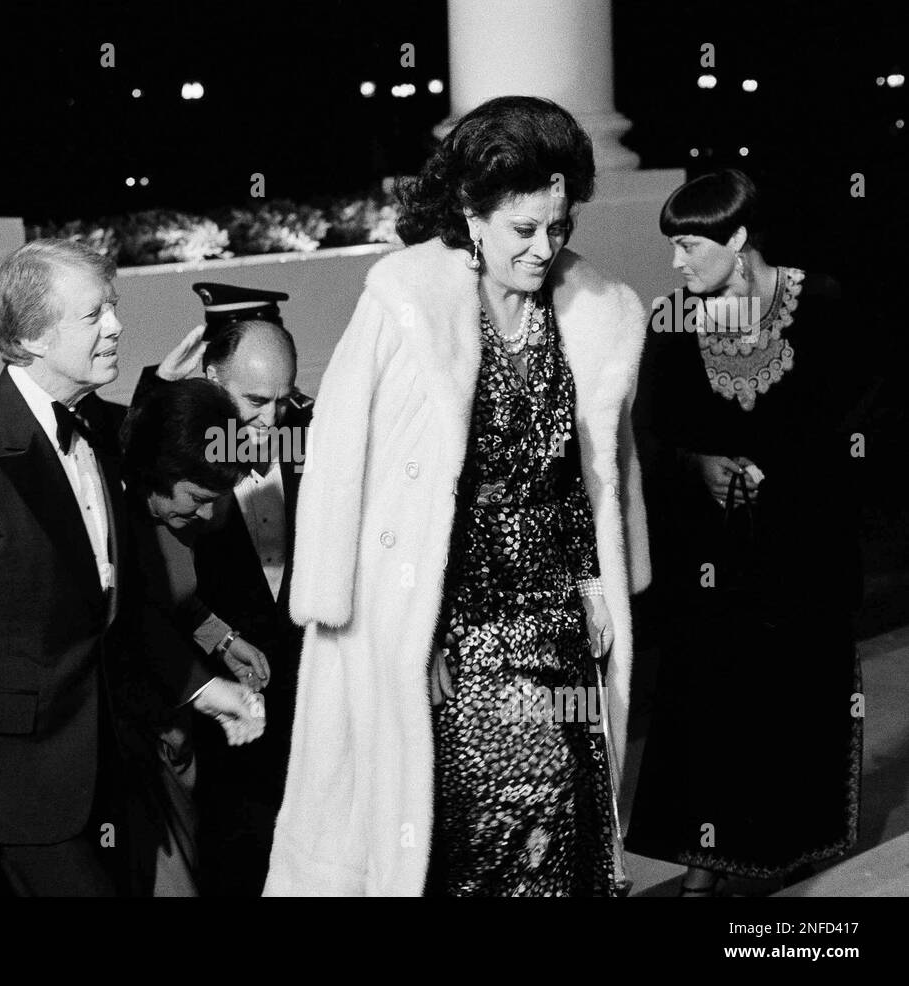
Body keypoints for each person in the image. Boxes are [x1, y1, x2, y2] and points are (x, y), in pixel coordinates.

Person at [265, 95, 650, 897]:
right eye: (523, 230)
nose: (545, 248)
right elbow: (345, 466)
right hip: (457, 632)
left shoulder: (592, 315)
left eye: (560, 227)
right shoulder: (405, 305)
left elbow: (586, 474)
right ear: (470, 212)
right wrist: (410, 626)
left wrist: (593, 580)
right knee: (490, 837)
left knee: (570, 827)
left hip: (558, 624)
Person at [0, 239, 262, 897]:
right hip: (16, 795)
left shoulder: (93, 434)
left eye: (111, 309)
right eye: (94, 315)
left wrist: (204, 688)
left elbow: (118, 613)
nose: (116, 326)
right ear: (33, 335)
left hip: (107, 771)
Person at [625, 169, 863, 895]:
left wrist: (788, 472)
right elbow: (651, 431)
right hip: (712, 555)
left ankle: (791, 845)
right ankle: (707, 865)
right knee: (713, 703)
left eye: (691, 246)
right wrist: (697, 464)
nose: (677, 263)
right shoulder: (673, 317)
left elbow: (858, 414)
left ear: (738, 238)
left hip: (805, 544)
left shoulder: (818, 303)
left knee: (797, 698)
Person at [137, 283, 313, 895]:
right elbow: (154, 588)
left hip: (308, 705)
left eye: (284, 400)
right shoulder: (175, 453)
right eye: (255, 399)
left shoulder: (313, 435)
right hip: (214, 714)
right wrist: (219, 642)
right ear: (211, 378)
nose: (270, 419)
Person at [120, 376, 268, 894]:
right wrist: (208, 691)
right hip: (127, 747)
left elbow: (177, 603)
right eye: (198, 498)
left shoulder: (178, 518)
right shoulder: (112, 523)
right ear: (159, 470)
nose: (208, 515)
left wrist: (224, 640)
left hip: (174, 740)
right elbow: (135, 619)